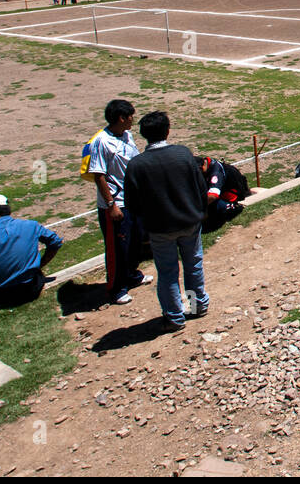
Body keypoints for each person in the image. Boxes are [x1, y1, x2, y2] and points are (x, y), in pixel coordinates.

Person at [123, 111, 211, 331]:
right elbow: (200, 188)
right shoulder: (183, 154)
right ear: (168, 130)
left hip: (160, 227)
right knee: (193, 264)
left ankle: (174, 316)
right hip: (189, 222)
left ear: (144, 135)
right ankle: (196, 305)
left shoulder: (137, 165)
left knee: (168, 272)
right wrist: (200, 212)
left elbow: (132, 203)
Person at [85, 99, 152, 305]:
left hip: (134, 199)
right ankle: (116, 288)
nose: (133, 119)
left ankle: (132, 275)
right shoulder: (101, 142)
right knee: (118, 247)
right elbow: (98, 175)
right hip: (117, 204)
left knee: (135, 241)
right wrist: (111, 204)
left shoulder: (127, 135)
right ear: (121, 118)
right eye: (131, 115)